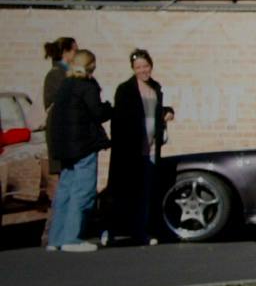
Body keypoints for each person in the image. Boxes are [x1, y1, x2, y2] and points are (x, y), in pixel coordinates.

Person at [47, 47, 108, 253]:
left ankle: (55, 238)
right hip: (84, 145)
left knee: (65, 190)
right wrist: (110, 108)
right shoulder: (87, 86)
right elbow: (97, 113)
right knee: (83, 191)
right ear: (91, 66)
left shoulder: (66, 85)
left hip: (65, 147)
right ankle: (71, 238)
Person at [106, 50, 169, 246]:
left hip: (150, 148)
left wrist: (167, 112)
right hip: (130, 150)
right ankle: (112, 231)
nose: (143, 71)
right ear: (133, 69)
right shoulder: (125, 89)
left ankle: (141, 231)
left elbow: (155, 112)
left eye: (146, 66)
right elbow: (121, 121)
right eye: (138, 68)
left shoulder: (156, 88)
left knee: (145, 193)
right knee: (125, 192)